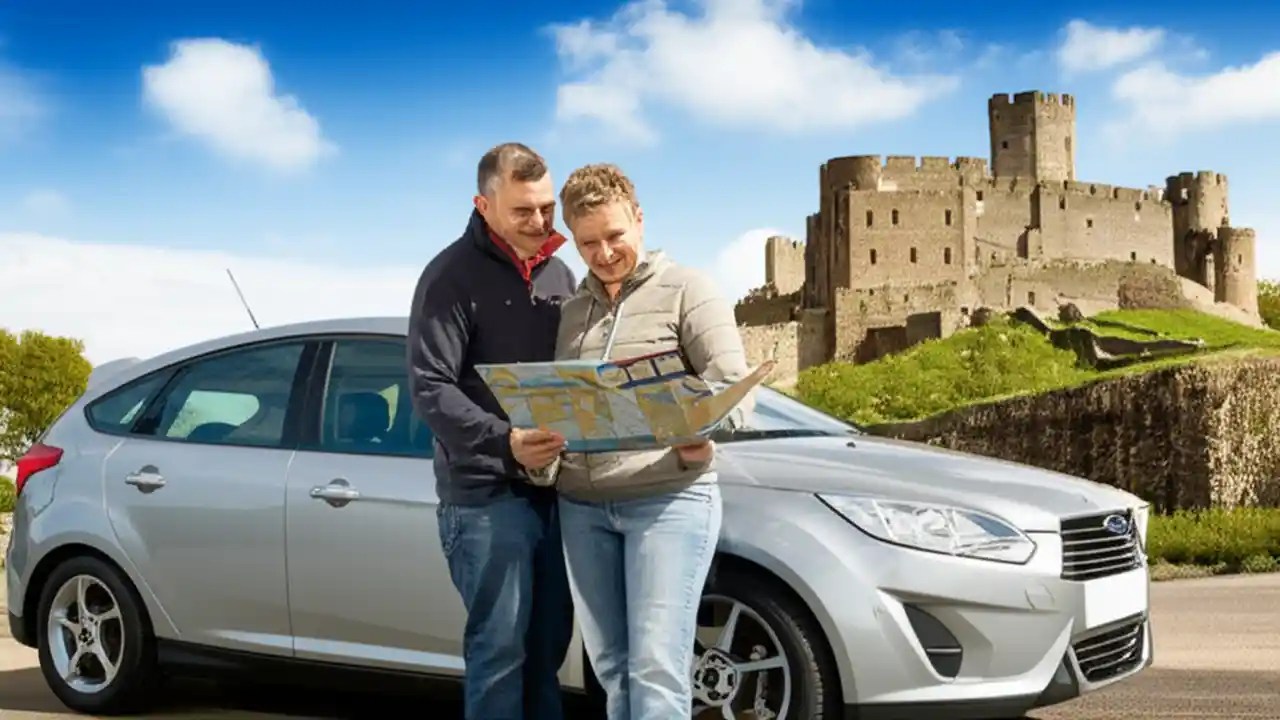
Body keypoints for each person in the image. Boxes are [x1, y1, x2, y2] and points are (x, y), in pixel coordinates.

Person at [530, 163, 755, 719]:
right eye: (588, 244)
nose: (603, 254)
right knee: (612, 666)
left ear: (639, 218)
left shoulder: (689, 291)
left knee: (656, 669)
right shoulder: (570, 312)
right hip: (582, 507)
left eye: (614, 236)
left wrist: (701, 429)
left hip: (668, 501)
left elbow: (735, 392)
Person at [407, 142, 577, 720]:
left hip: (556, 494)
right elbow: (430, 388)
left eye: (547, 209)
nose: (540, 222)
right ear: (484, 205)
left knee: (547, 650)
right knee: (500, 653)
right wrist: (503, 442)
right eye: (523, 211)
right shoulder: (449, 277)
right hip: (485, 497)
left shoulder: (561, 272)